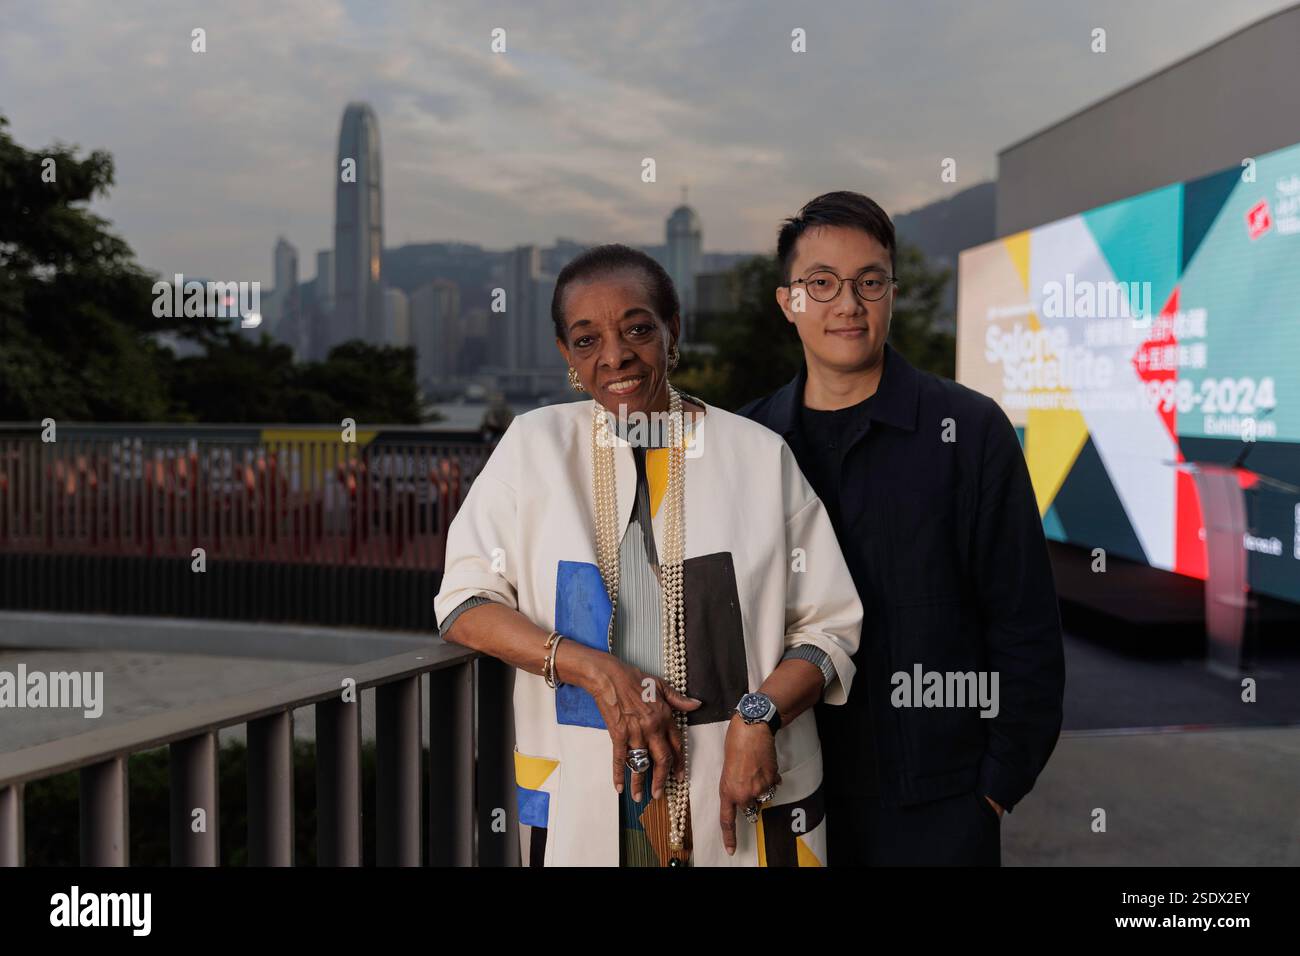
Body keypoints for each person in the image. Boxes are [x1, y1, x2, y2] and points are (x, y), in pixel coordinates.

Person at [435, 244, 862, 867]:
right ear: (566, 355)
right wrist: (596, 671)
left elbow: (830, 625)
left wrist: (758, 716)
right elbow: (464, 602)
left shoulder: (757, 456)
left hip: (737, 786)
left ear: (673, 330)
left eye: (637, 328)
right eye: (587, 340)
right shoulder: (534, 449)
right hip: (590, 791)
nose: (614, 356)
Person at [739, 192, 1065, 866]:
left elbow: (1025, 624)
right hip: (786, 793)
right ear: (788, 302)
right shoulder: (749, 444)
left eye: (870, 282)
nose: (848, 304)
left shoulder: (969, 433)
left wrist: (993, 792)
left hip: (936, 808)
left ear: (891, 292)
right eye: (821, 284)